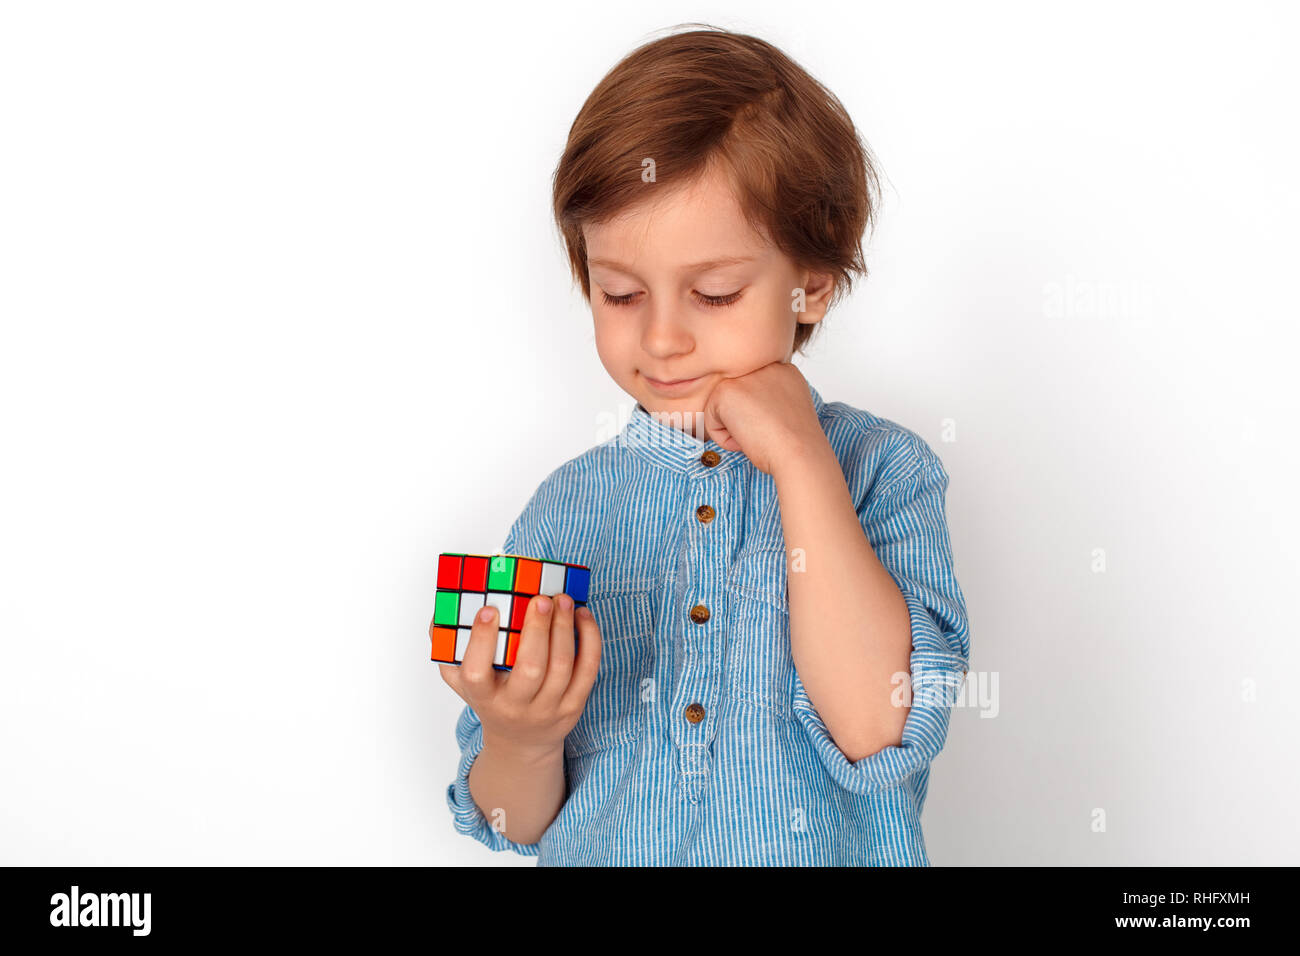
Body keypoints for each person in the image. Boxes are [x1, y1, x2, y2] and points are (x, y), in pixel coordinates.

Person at [439, 24, 970, 865]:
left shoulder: (885, 471)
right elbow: (516, 823)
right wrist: (522, 740)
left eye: (714, 294)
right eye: (619, 294)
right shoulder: (566, 507)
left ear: (813, 287)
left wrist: (800, 460)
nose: (661, 340)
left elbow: (879, 731)